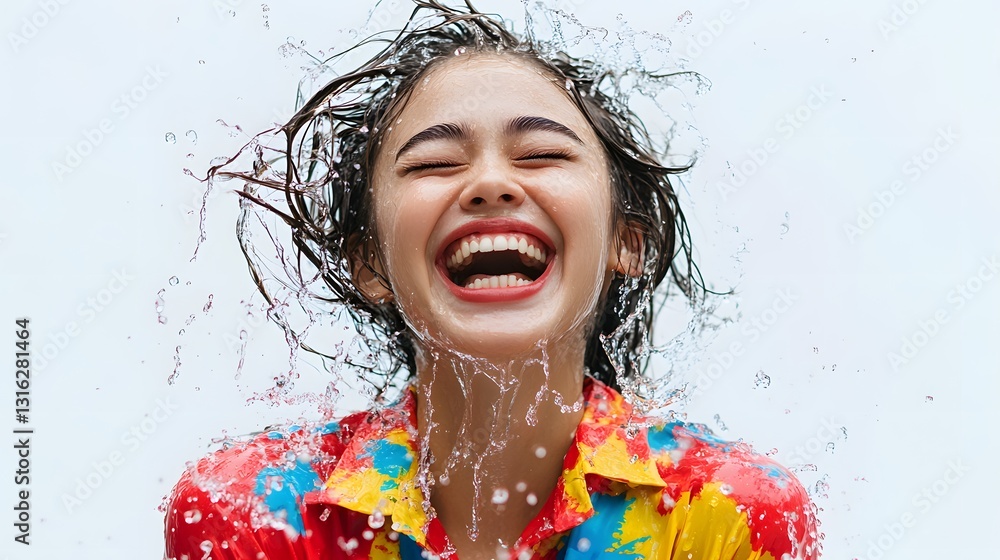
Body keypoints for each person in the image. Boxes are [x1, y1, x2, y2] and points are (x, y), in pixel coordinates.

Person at [164, 2, 820, 558]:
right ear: (371, 265)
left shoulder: (729, 513)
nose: (490, 184)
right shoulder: (251, 515)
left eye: (542, 154)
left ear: (626, 241)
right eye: (434, 164)